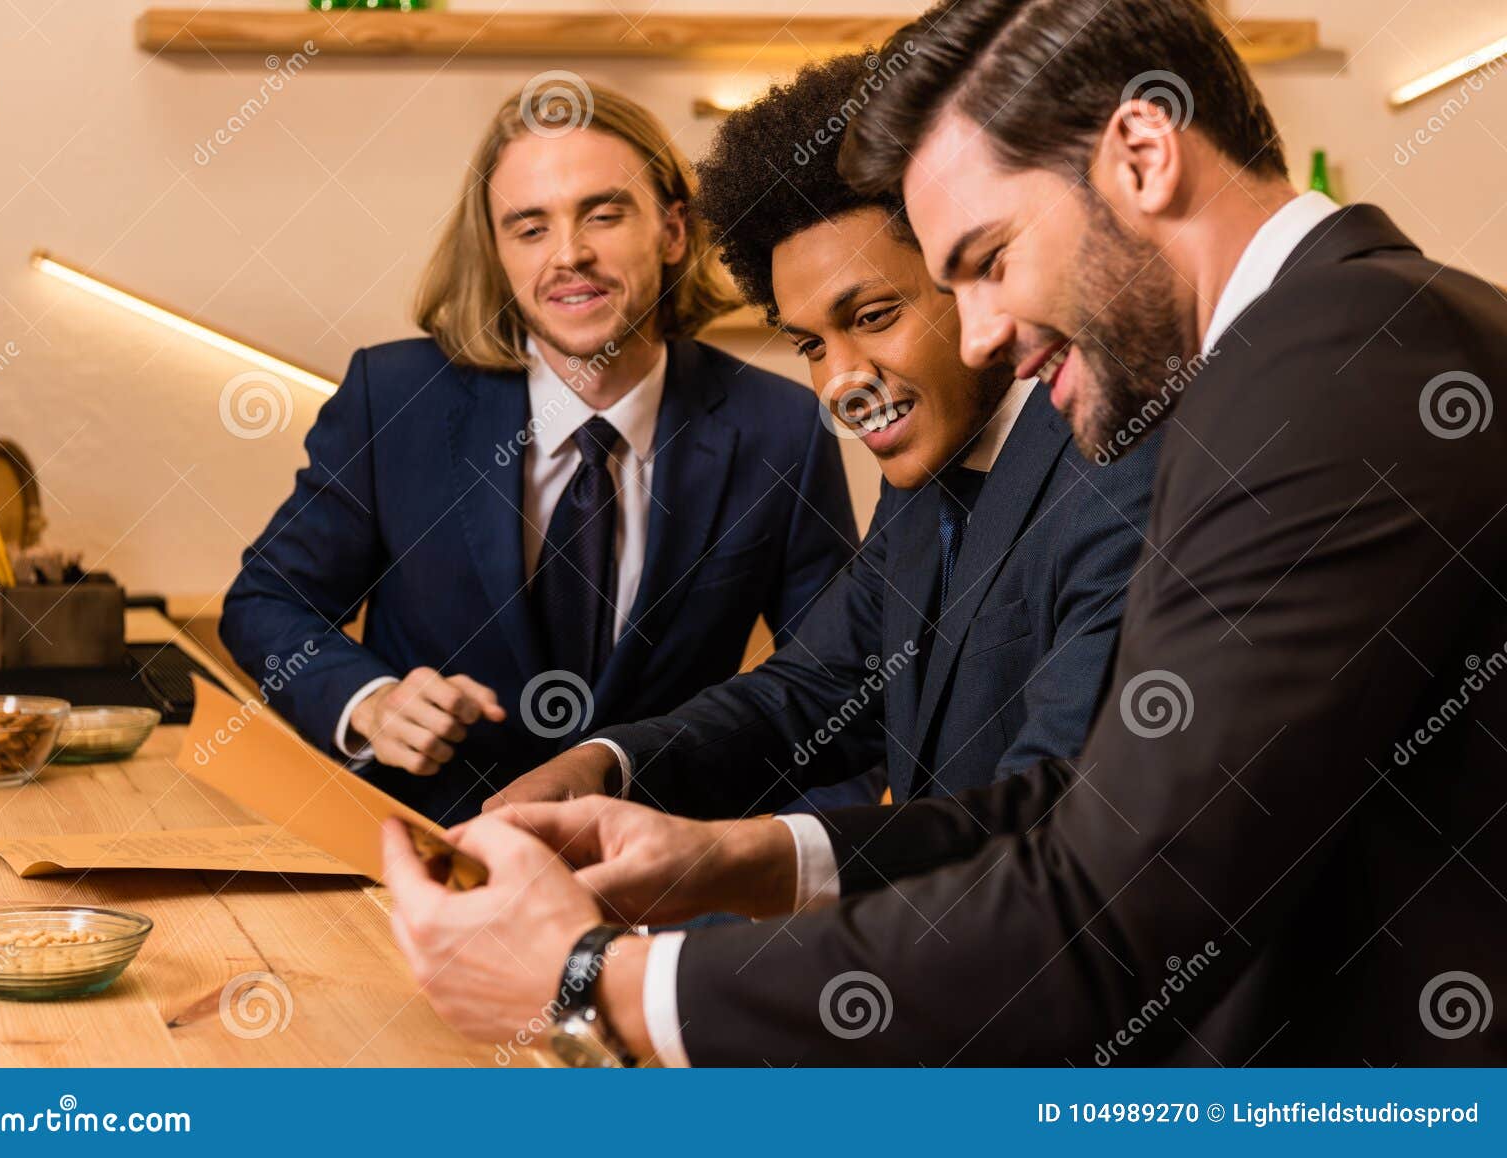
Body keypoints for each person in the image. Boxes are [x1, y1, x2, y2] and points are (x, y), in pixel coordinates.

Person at [381, 0, 1506, 1066]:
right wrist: (733, 856)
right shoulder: (1324, 345)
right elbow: (1083, 816)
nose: (979, 335)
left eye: (987, 260)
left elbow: (1104, 909)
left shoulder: (1339, 349)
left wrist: (599, 984)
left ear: (1142, 154)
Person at [490, 53, 1158, 819]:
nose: (842, 383)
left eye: (872, 318)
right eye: (810, 345)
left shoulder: (1120, 462)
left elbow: (1052, 825)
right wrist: (607, 766)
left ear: (972, 271)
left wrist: (740, 867)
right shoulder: (923, 479)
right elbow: (813, 690)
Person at [220, 81, 857, 824]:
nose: (569, 256)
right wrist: (372, 703)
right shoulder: (394, 400)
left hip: (666, 887)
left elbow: (838, 683)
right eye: (529, 229)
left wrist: (775, 876)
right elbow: (268, 603)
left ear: (674, 231)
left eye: (604, 214)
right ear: (497, 254)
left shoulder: (780, 427)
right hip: (422, 870)